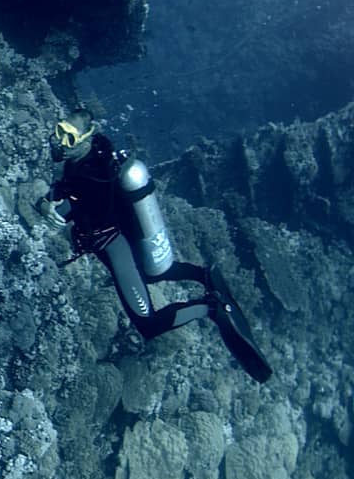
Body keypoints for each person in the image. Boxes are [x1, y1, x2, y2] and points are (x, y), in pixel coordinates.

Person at [39, 112, 271, 382]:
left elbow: (70, 205)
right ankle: (203, 275)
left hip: (115, 247)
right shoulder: (89, 157)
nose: (59, 141)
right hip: (125, 233)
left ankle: (212, 309)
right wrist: (51, 197)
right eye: (58, 131)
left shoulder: (92, 176)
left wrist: (47, 204)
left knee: (148, 323)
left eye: (68, 137)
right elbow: (66, 188)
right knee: (152, 272)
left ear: (86, 139)